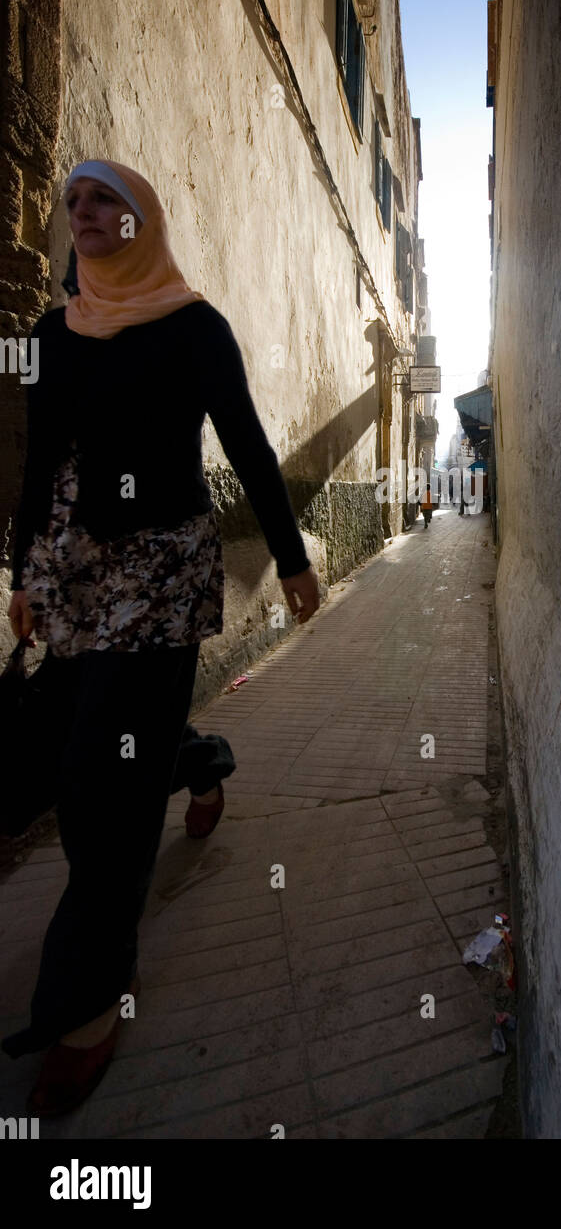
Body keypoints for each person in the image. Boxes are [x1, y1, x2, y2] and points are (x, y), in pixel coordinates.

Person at [2, 158, 320, 1116]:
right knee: (101, 746)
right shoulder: (53, 334)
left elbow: (249, 447)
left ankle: (87, 1013)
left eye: (108, 200)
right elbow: (38, 459)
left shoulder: (195, 328)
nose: (85, 213)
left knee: (101, 785)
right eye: (75, 201)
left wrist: (294, 560)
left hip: (160, 581)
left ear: (144, 221)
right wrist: (21, 573)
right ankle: (203, 756)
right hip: (75, 576)